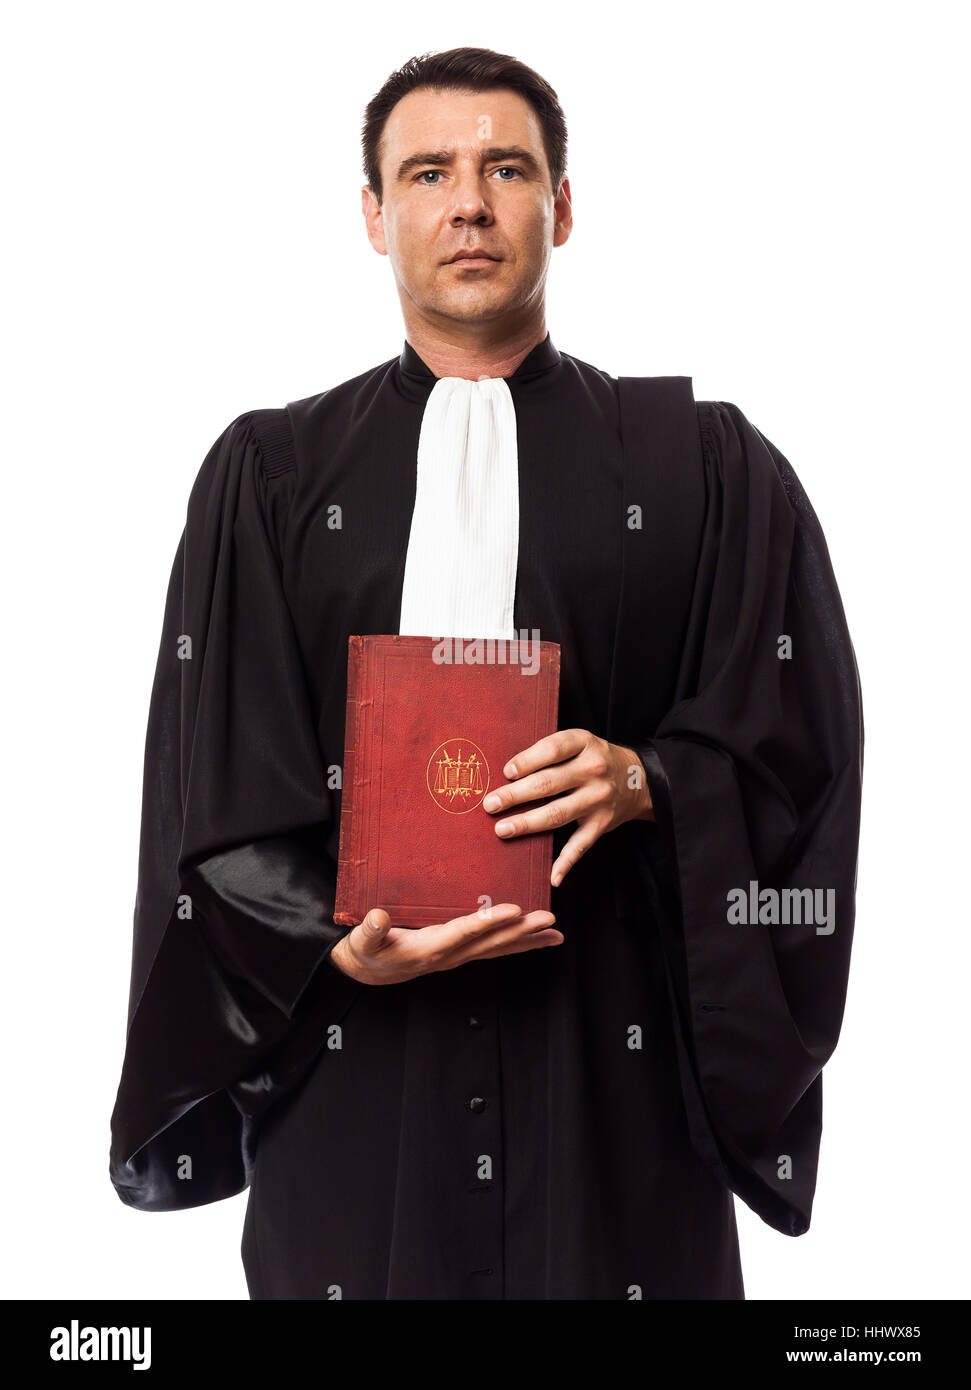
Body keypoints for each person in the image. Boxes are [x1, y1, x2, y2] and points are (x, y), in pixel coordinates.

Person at [108, 46, 864, 1300]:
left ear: (561, 204)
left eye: (505, 167)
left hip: (612, 1100)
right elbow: (210, 785)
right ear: (374, 214)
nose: (468, 202)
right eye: (427, 172)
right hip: (359, 1095)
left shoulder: (706, 472)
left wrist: (651, 781)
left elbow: (799, 754)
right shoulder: (272, 480)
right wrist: (323, 936)